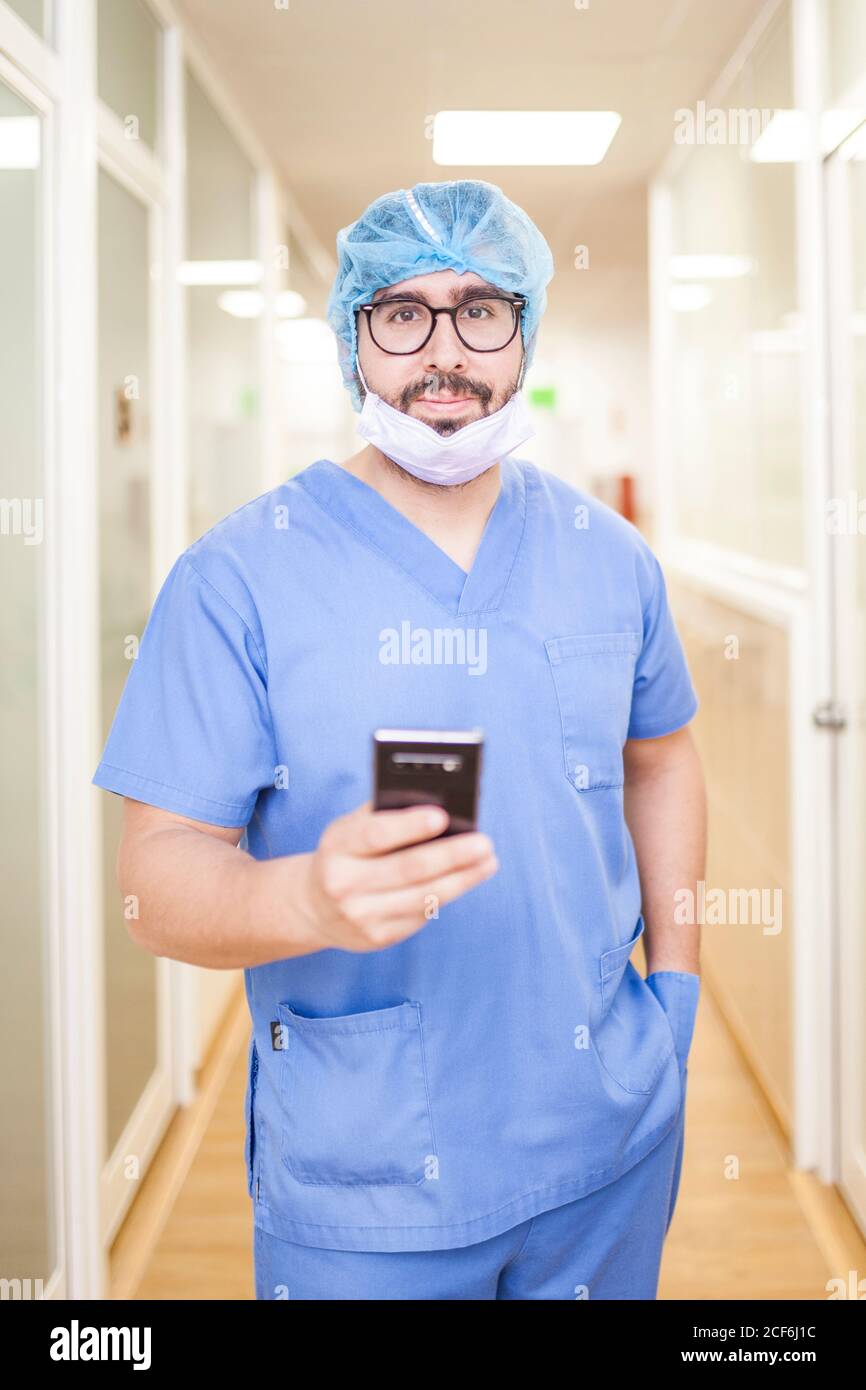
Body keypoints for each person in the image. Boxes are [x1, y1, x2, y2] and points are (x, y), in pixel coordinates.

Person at [92, 178, 705, 1301]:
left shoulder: (607, 555)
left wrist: (674, 986)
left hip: (606, 1141)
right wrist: (304, 903)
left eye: (480, 308)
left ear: (525, 331)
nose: (442, 351)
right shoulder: (237, 577)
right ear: (349, 337)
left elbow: (659, 755)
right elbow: (153, 880)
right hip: (365, 1184)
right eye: (400, 314)